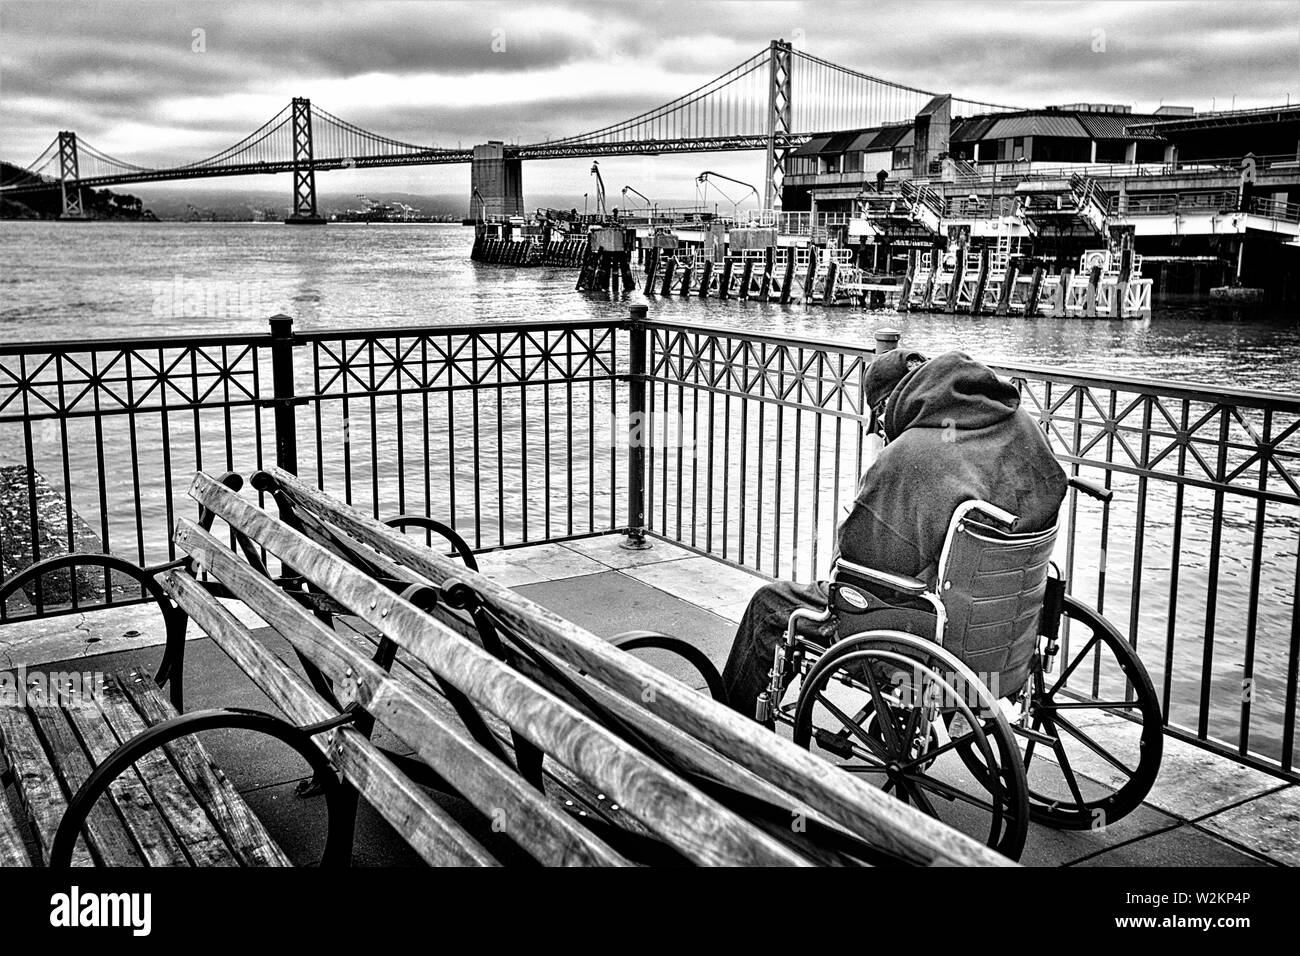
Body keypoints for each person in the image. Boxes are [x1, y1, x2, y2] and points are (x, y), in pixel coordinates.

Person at [721, 348, 1068, 717]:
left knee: (770, 604)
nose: (882, 432)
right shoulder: (1020, 426)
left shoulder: (911, 454)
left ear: (887, 405)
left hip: (923, 639)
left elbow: (859, 564)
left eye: (878, 421)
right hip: (1002, 640)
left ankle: (724, 731)